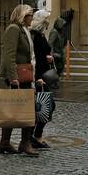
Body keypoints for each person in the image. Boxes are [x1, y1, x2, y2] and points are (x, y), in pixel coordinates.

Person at [0, 4, 43, 157]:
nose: (32, 18)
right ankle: (24, 143)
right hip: (18, 75)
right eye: (30, 15)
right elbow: (9, 55)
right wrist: (13, 78)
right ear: (23, 16)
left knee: (19, 109)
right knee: (24, 109)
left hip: (24, 73)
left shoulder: (24, 31)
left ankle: (7, 143)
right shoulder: (14, 29)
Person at [29, 9, 58, 149]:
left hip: (43, 74)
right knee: (45, 105)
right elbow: (34, 57)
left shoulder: (41, 34)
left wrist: (48, 57)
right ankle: (35, 136)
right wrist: (37, 78)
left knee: (45, 106)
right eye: (46, 18)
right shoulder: (34, 35)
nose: (48, 21)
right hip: (38, 76)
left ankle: (35, 135)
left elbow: (42, 54)